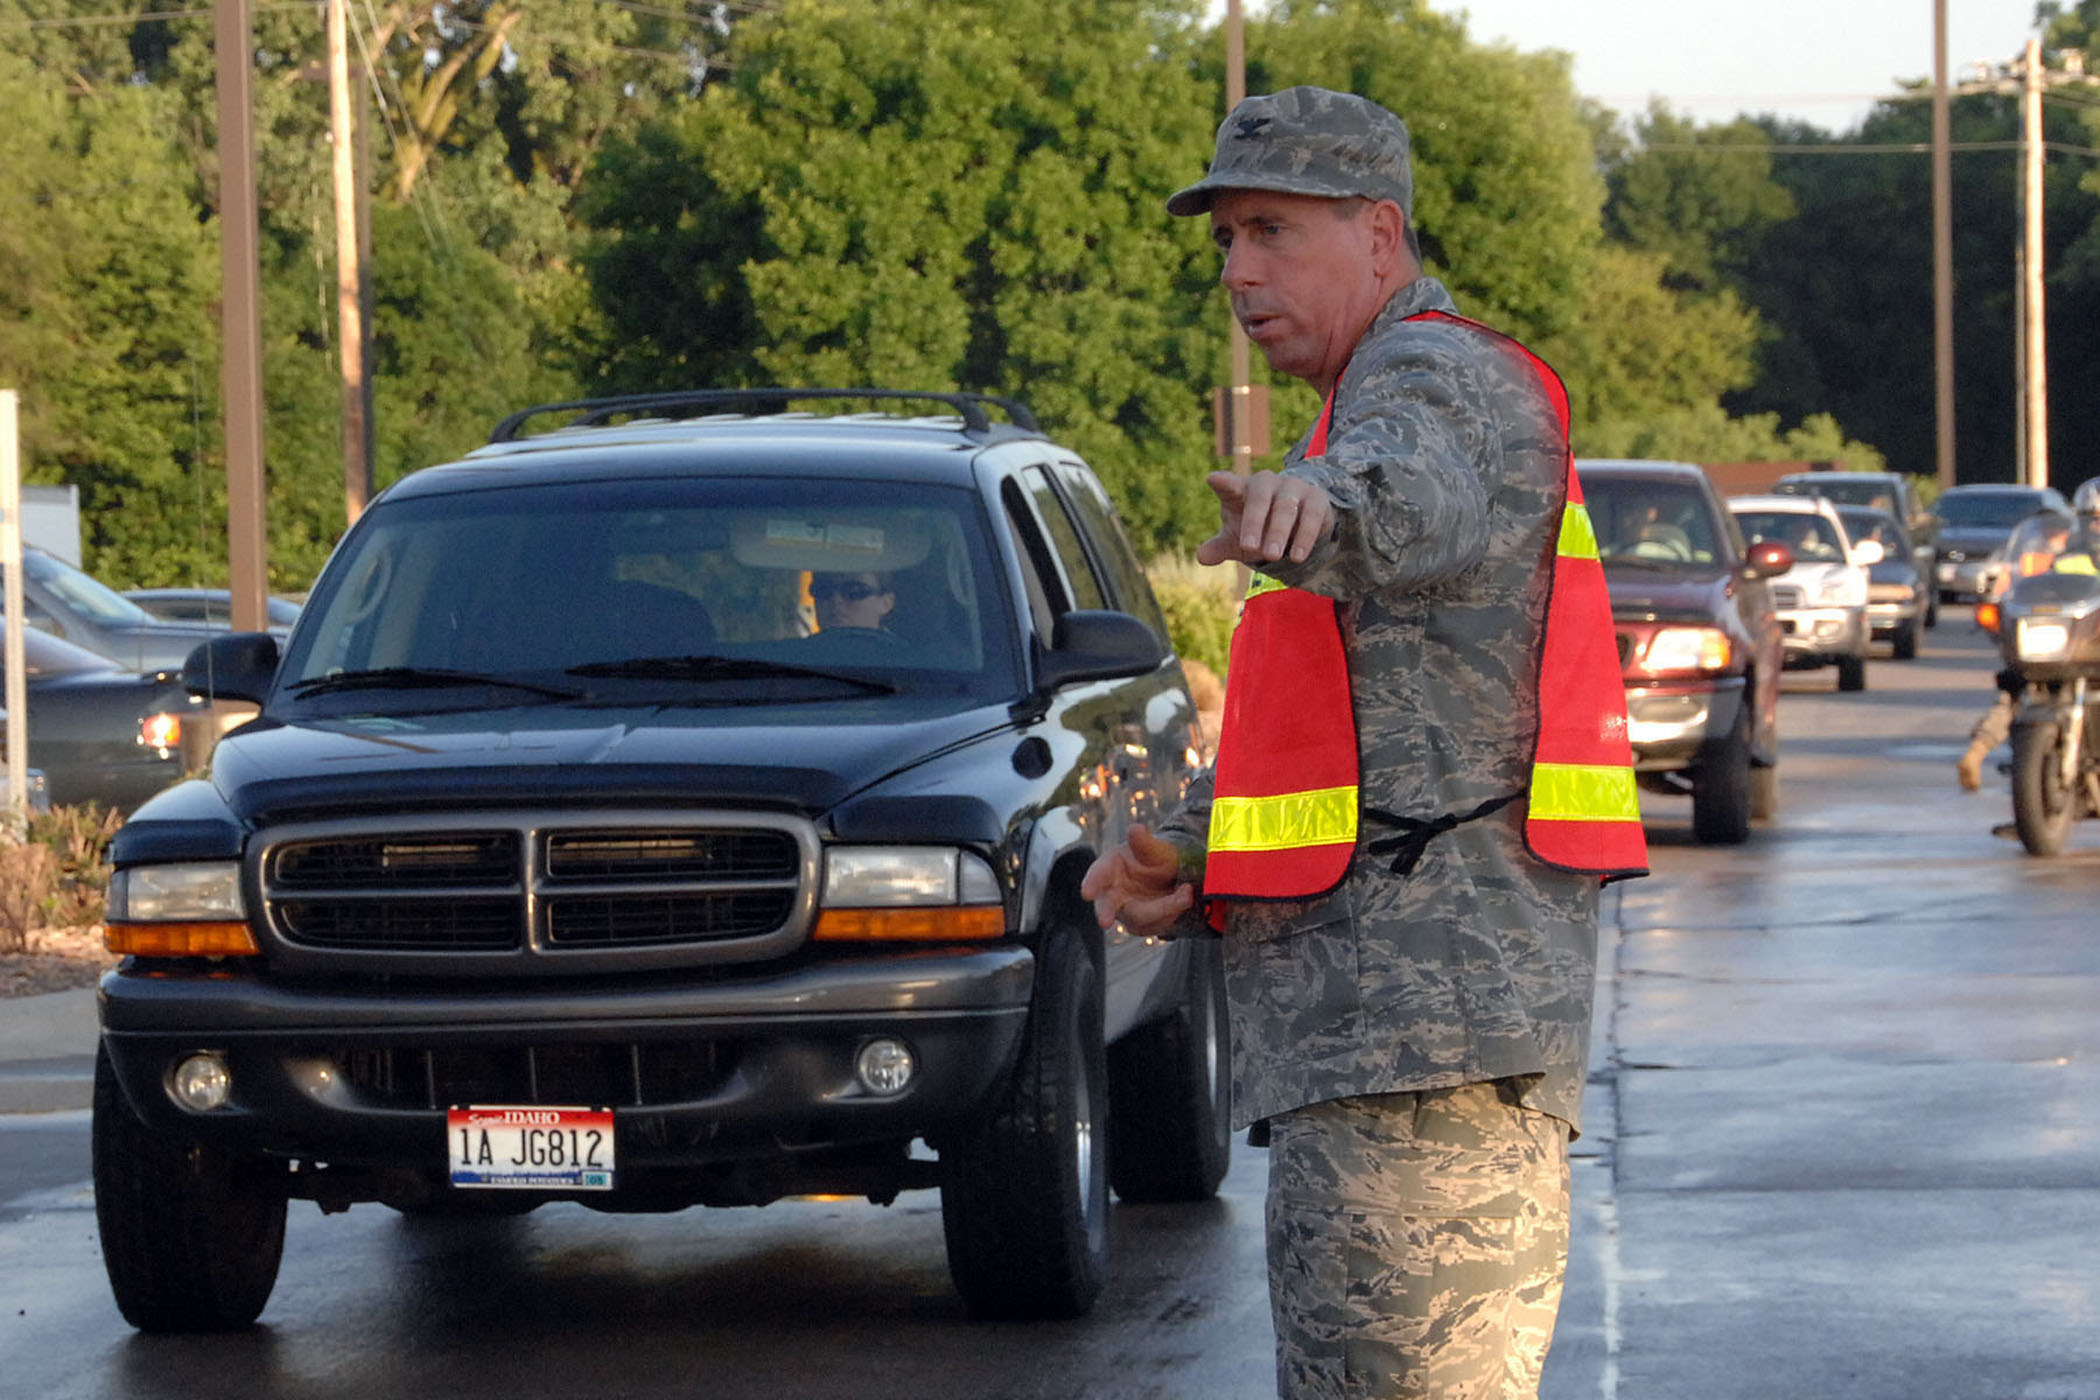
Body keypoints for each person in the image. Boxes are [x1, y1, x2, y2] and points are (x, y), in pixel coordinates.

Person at [1080, 87, 1643, 1399]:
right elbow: (1393, 745)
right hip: (1401, 1059)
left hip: (1422, 1078)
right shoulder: (1381, 387)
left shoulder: (1429, 378)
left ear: (1379, 237)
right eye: (1224, 240)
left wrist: (1310, 505)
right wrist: (1205, 848)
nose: (1238, 270)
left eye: (1272, 229)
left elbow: (1406, 495)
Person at [808, 570, 894, 633]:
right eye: (824, 590)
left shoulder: (900, 656)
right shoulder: (799, 654)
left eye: (854, 591)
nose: (836, 600)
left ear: (886, 603)